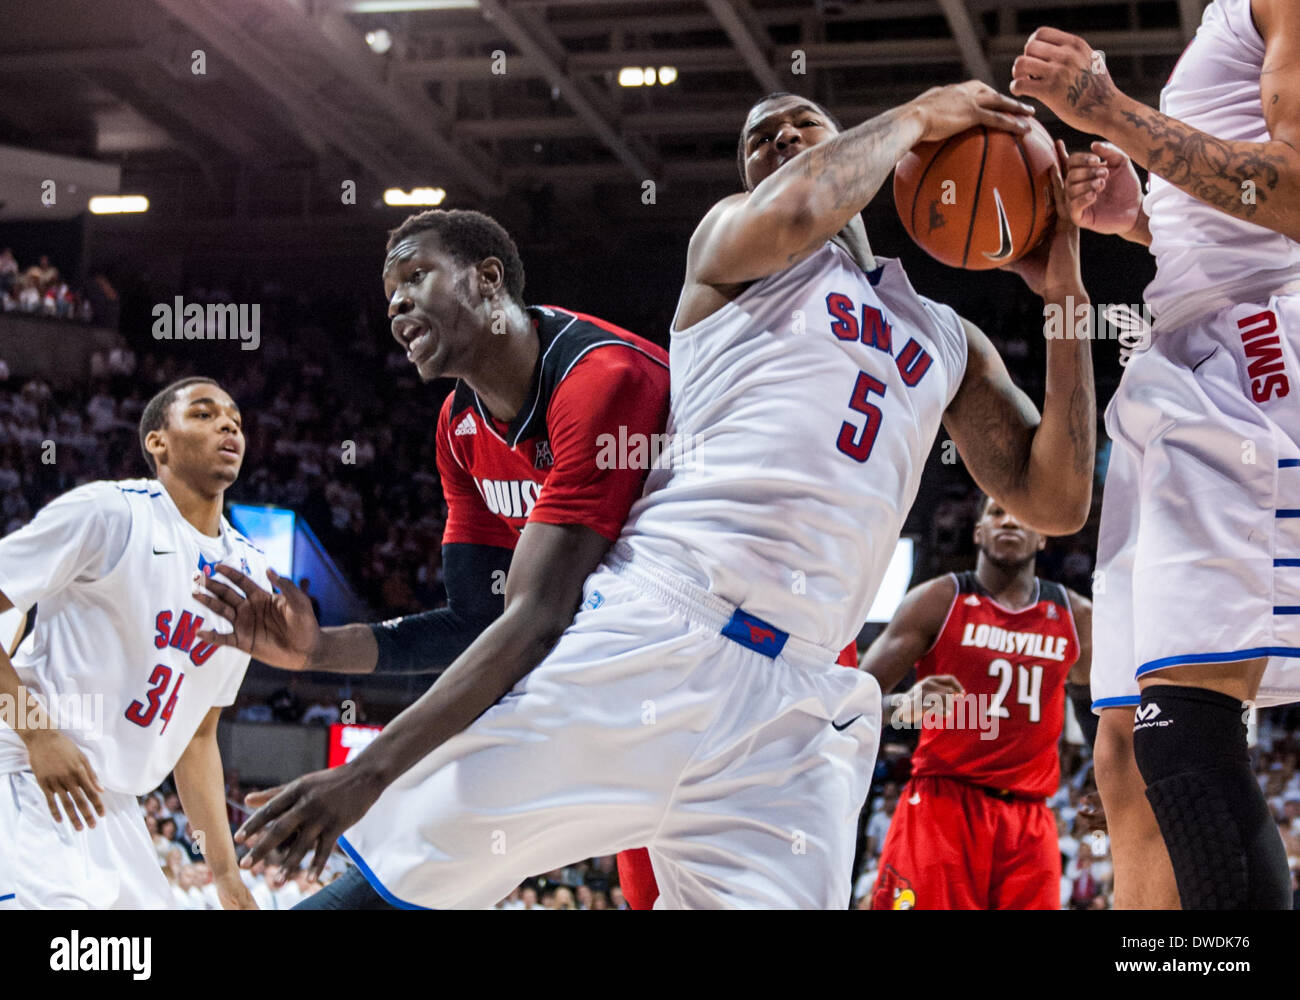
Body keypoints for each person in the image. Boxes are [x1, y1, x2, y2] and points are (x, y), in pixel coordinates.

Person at [226, 81, 1094, 909]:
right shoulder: (733, 249)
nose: (782, 141)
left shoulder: (952, 338)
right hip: (663, 626)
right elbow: (798, 209)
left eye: (803, 127)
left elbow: (1055, 500)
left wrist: (1067, 302)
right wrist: (917, 114)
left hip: (797, 699)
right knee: (411, 873)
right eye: (761, 140)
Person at [195, 208, 675, 910]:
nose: (394, 304)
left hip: (718, 664)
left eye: (416, 276)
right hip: (636, 676)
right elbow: (477, 620)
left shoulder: (601, 377)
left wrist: (369, 772)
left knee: (437, 824)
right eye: (389, 290)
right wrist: (318, 650)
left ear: (487, 281)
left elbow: (537, 618)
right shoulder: (459, 428)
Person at [1011, 1, 1300, 908]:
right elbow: (1241, 211)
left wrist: (1112, 113)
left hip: (1249, 342)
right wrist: (1148, 223)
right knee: (1128, 752)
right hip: (1181, 348)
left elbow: (1294, 193)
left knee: (1188, 729)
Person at [0, 377, 269, 908]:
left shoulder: (250, 576)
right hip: (26, 775)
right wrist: (39, 735)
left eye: (235, 417)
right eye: (204, 413)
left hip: (114, 806)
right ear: (157, 442)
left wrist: (225, 873)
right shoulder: (108, 513)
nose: (228, 424)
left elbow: (196, 739)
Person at [863, 494, 1091, 909]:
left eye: (1023, 514)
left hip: (1029, 820)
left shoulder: (1077, 616)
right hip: (942, 806)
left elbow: (1104, 723)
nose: (1008, 522)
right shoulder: (937, 600)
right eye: (996, 512)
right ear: (979, 531)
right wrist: (900, 706)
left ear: (1043, 537)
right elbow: (849, 699)